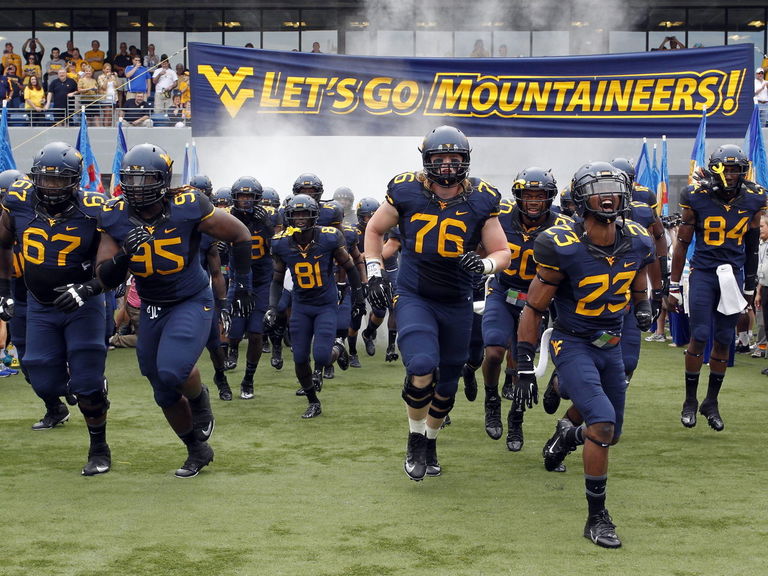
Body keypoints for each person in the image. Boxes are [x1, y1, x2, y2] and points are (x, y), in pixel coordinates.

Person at [92, 143, 254, 478]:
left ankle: (199, 400)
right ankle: (196, 449)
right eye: (131, 181)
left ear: (164, 179)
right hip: (151, 304)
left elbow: (240, 233)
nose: (137, 189)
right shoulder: (115, 214)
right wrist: (124, 256)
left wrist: (243, 287)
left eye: (146, 180)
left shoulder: (189, 204)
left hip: (190, 298)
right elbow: (104, 276)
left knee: (173, 371)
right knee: (162, 389)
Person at [517, 161, 655, 548]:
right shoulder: (561, 244)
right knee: (604, 423)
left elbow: (638, 270)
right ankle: (597, 518)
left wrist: (643, 303)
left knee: (611, 432)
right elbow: (534, 306)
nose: (608, 195)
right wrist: (525, 362)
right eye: (598, 189)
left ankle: (567, 433)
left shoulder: (637, 238)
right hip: (572, 340)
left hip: (610, 341)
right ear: (580, 198)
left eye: (613, 187)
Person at [364, 125, 510, 481]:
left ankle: (430, 440)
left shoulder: (482, 197)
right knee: (422, 365)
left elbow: (502, 251)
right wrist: (373, 270)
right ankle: (415, 439)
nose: (446, 166)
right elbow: (373, 229)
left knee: (447, 384)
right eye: (439, 159)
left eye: (454, 159)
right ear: (426, 161)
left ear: (465, 160)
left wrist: (486, 264)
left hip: (457, 300)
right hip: (415, 294)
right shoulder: (406, 189)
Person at [0, 142, 112, 475]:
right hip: (39, 304)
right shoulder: (17, 202)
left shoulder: (95, 209)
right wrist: (5, 290)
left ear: (75, 181)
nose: (51, 187)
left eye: (59, 180)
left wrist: (90, 286)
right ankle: (70, 396)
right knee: (40, 376)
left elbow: (113, 258)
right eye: (45, 180)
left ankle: (99, 448)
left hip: (84, 305)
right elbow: (3, 244)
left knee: (88, 383)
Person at [669, 145, 766, 431]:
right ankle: (689, 400)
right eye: (729, 168)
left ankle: (711, 401)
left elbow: (751, 245)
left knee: (724, 339)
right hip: (704, 273)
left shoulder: (754, 198)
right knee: (699, 334)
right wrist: (674, 284)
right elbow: (683, 242)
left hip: (732, 276)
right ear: (717, 170)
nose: (734, 174)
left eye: (738, 169)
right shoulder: (696, 196)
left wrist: (749, 282)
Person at [480, 167, 569, 452]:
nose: (532, 201)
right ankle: (491, 399)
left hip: (538, 301)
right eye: (528, 195)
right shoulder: (501, 218)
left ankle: (515, 418)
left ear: (549, 197)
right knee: (494, 350)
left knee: (522, 360)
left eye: (539, 195)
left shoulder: (564, 225)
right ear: (518, 196)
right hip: (503, 291)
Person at [267, 194, 361, 418]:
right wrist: (272, 306)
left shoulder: (329, 238)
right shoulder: (280, 243)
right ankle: (313, 401)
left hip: (325, 305)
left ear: (314, 216)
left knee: (321, 356)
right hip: (301, 305)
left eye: (304, 213)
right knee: (299, 357)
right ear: (289, 216)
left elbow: (349, 266)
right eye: (295, 214)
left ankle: (338, 349)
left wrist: (358, 294)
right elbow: (277, 279)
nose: (300, 218)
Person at [226, 176, 275, 400]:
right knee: (235, 328)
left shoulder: (269, 216)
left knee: (256, 331)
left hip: (261, 279)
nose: (245, 200)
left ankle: (248, 378)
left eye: (249, 196)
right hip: (238, 277)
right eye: (242, 196)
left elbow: (277, 244)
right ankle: (233, 348)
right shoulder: (227, 216)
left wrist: (267, 226)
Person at [755, 214, 768, 373]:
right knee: (767, 324)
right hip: (765, 287)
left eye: (762, 226)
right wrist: (758, 292)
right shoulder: (761, 244)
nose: (760, 230)